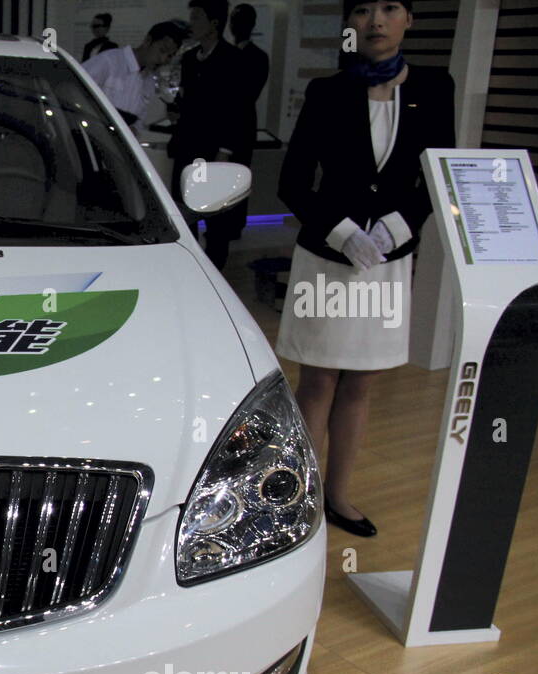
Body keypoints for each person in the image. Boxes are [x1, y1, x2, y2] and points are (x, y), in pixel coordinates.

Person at [275, 0, 455, 536]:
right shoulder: (328, 92)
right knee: (319, 378)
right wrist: (343, 231)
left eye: (389, 8)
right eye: (362, 10)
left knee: (362, 382)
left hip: (388, 260)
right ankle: (301, 499)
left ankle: (339, 495)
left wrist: (398, 229)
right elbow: (293, 181)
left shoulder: (435, 86)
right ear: (349, 24)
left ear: (408, 20)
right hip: (328, 257)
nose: (375, 21)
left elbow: (437, 174)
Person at [167, 0, 251, 270]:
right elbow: (187, 99)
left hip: (215, 149)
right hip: (187, 146)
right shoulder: (190, 59)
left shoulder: (234, 60)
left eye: (197, 18)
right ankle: (189, 268)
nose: (191, 24)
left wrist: (225, 150)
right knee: (183, 212)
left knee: (216, 220)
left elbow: (239, 109)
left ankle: (214, 273)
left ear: (214, 23)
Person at [214, 3, 270, 249]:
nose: (237, 26)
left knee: (239, 174)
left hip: (243, 124)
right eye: (234, 21)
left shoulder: (257, 57)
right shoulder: (225, 54)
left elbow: (247, 94)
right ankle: (220, 222)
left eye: (242, 21)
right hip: (222, 123)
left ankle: (235, 224)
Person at [82, 20, 188, 127]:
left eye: (170, 56)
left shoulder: (149, 80)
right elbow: (76, 90)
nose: (164, 59)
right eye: (162, 50)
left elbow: (139, 119)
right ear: (147, 41)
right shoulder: (109, 61)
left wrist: (135, 129)